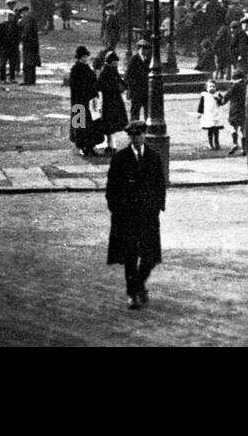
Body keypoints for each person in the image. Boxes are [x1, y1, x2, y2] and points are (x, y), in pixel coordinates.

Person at [105, 119, 165, 310]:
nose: (136, 138)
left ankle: (138, 285)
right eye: (133, 136)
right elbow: (111, 187)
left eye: (139, 135)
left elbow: (160, 186)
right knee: (130, 257)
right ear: (130, 137)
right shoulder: (120, 158)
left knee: (150, 257)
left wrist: (157, 206)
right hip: (127, 215)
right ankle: (132, 294)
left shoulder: (154, 157)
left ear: (144, 135)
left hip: (148, 214)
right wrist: (117, 209)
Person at [68, 47, 103, 157]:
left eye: (85, 57)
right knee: (80, 127)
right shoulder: (75, 70)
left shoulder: (87, 68)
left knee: (91, 125)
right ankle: (82, 147)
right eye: (82, 57)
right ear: (78, 58)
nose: (85, 59)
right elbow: (76, 86)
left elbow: (93, 81)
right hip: (79, 101)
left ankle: (90, 146)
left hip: (89, 101)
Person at [97, 50, 129, 150]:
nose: (116, 64)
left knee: (113, 123)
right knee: (109, 123)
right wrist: (115, 88)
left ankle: (111, 143)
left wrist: (124, 86)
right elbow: (100, 86)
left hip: (115, 100)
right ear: (110, 62)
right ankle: (109, 143)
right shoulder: (105, 72)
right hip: (109, 101)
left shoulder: (113, 70)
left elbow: (120, 81)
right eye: (115, 62)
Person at [225, 69, 248, 155]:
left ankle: (235, 143)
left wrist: (221, 100)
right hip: (243, 109)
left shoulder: (234, 86)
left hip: (234, 109)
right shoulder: (246, 86)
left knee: (233, 127)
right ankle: (244, 148)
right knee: (243, 129)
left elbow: (227, 96)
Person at [126, 38, 151, 120]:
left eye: (147, 49)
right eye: (145, 49)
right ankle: (134, 128)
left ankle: (146, 128)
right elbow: (128, 75)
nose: (146, 51)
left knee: (148, 111)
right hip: (136, 91)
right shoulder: (134, 59)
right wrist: (132, 88)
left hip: (146, 90)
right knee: (135, 111)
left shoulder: (148, 59)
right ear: (141, 49)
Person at [0, 9, 21, 83]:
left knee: (13, 63)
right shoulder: (2, 25)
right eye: (8, 16)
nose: (10, 17)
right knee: (3, 64)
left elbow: (19, 35)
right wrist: (0, 44)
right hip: (4, 47)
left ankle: (12, 78)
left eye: (11, 16)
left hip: (13, 47)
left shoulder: (16, 25)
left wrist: (16, 43)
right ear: (6, 16)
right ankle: (2, 79)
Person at [197, 80, 225, 149]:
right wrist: (200, 113)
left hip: (216, 113)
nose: (212, 88)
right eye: (210, 86)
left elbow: (222, 102)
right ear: (206, 88)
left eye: (213, 86)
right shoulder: (204, 95)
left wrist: (217, 98)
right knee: (210, 129)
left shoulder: (217, 94)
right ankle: (210, 143)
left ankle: (216, 142)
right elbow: (201, 105)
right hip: (208, 114)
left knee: (216, 129)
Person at [19, 6, 41, 86]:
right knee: (30, 63)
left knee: (28, 63)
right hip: (32, 44)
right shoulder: (29, 19)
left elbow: (26, 32)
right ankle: (30, 80)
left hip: (29, 44)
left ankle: (28, 80)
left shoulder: (28, 20)